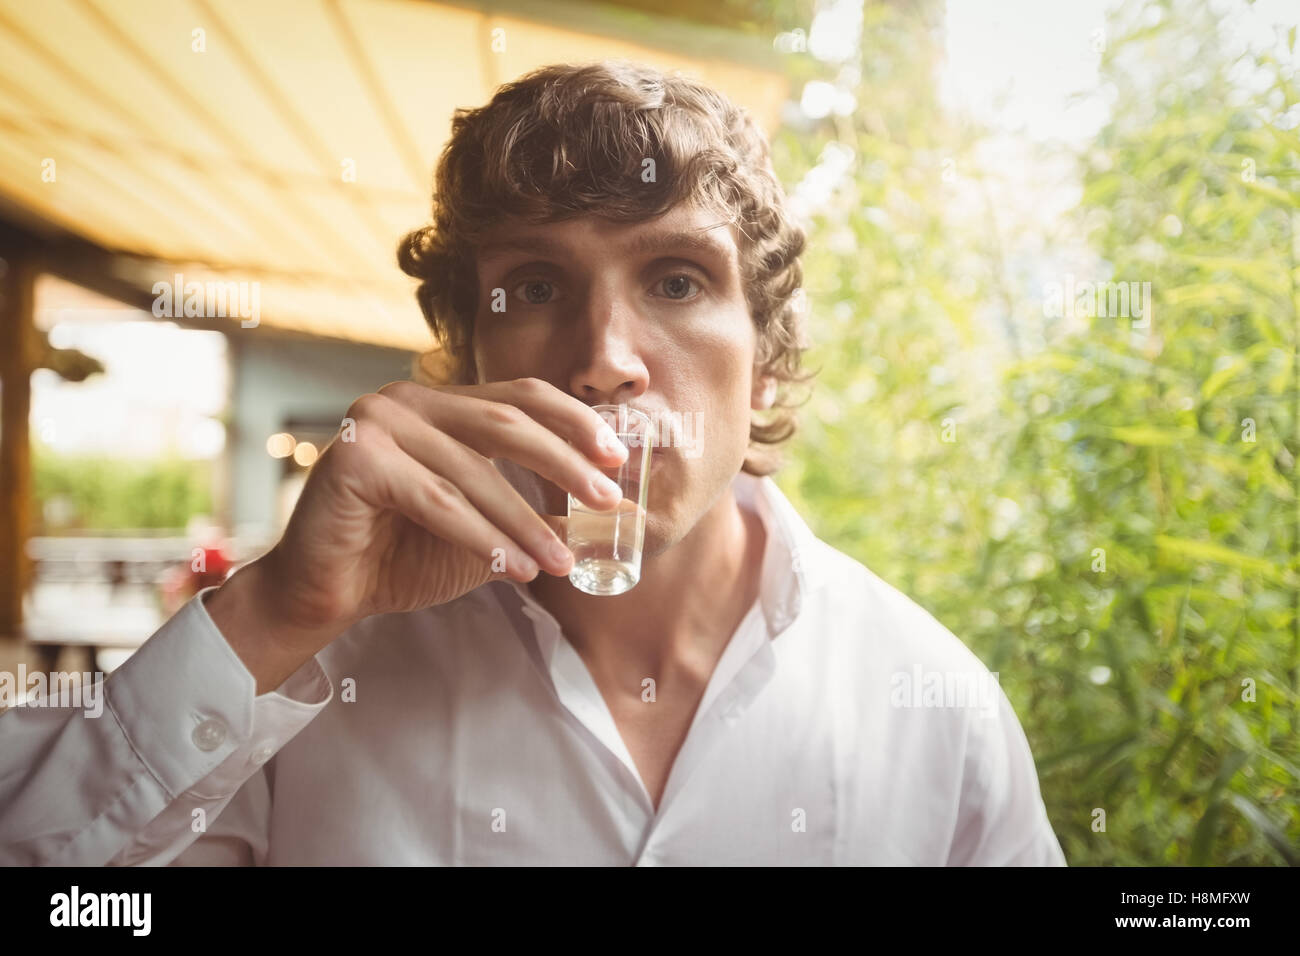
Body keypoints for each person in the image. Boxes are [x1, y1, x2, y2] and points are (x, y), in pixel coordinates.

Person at [0, 60, 1065, 866]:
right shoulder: (304, 676)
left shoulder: (937, 715)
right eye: (538, 288)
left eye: (678, 281)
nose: (603, 361)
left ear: (769, 367)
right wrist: (275, 609)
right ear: (468, 356)